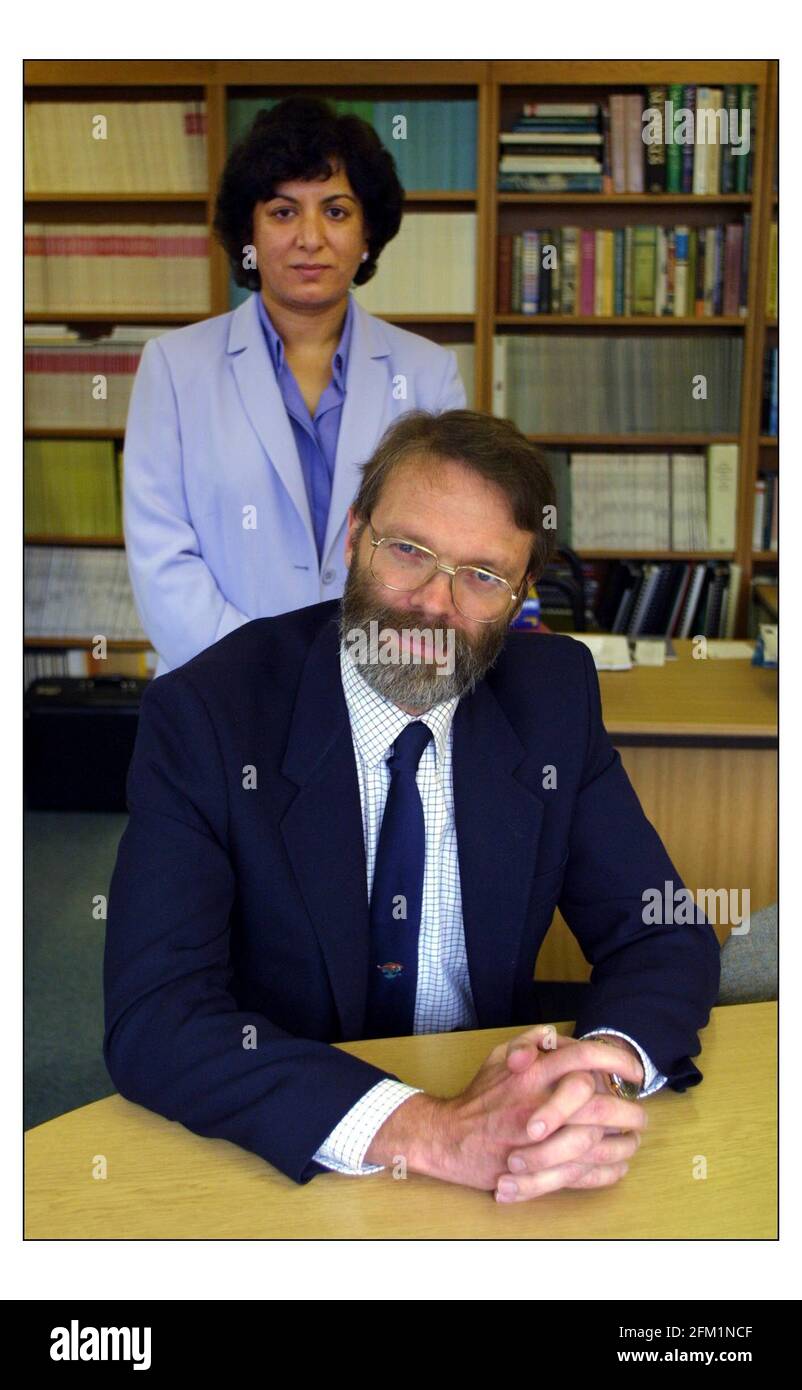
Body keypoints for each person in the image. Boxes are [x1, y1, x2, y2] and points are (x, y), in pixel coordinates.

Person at [104, 409, 720, 1202]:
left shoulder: (553, 696)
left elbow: (660, 927)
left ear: (521, 595)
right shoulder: (210, 715)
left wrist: (589, 1078)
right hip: (298, 1149)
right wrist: (429, 1130)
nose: (435, 604)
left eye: (483, 575)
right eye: (409, 551)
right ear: (355, 536)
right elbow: (156, 1018)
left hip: (502, 1132)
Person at [122, 96, 465, 677]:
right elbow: (162, 559)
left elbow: (443, 549)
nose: (310, 238)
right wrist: (270, 673)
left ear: (367, 234)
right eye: (283, 212)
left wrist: (364, 673)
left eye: (336, 211)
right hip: (216, 690)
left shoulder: (429, 373)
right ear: (248, 233)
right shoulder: (174, 368)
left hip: (382, 687)